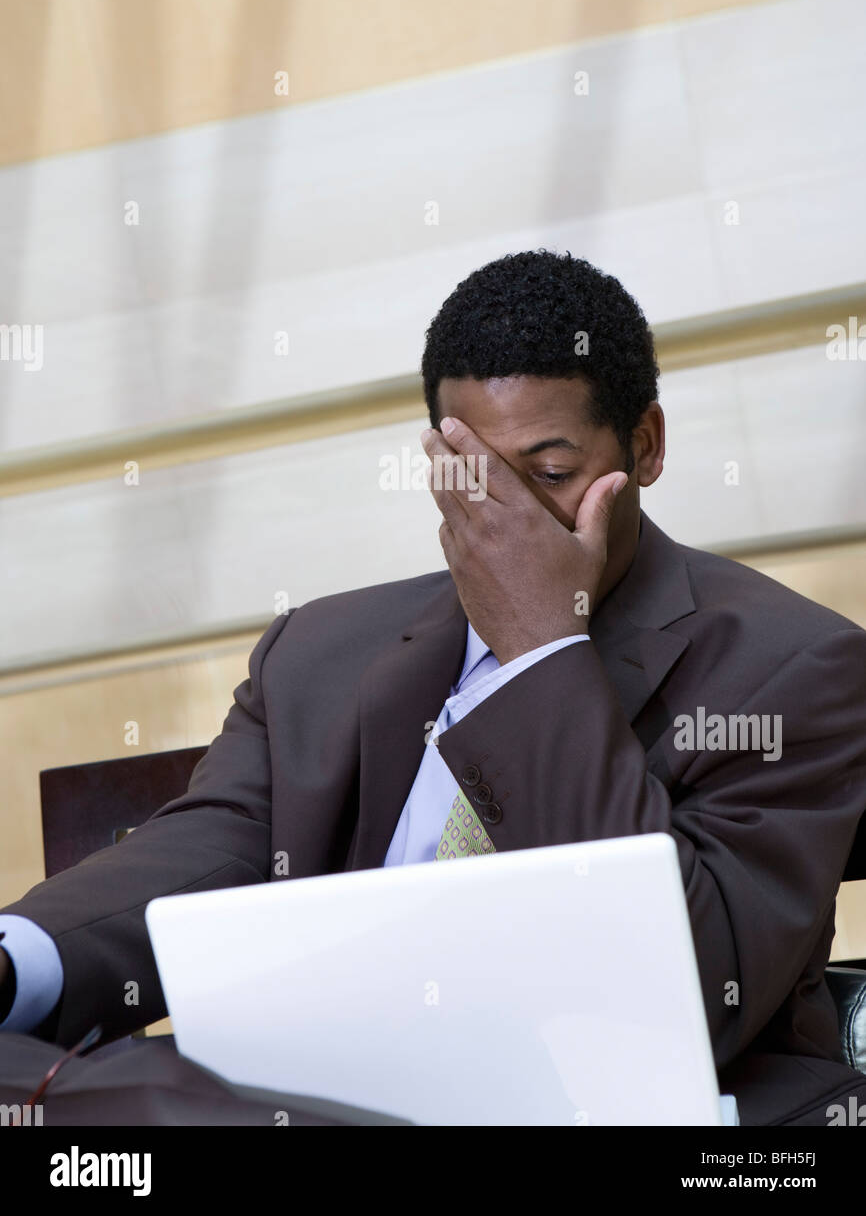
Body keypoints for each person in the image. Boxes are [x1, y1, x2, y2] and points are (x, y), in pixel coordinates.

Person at [2, 249, 865, 1126]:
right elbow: (211, 850)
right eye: (473, 476)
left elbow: (685, 986)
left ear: (644, 446)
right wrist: (14, 959)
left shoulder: (792, 668)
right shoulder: (319, 650)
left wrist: (538, 650)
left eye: (550, 474)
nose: (508, 518)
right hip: (328, 1094)